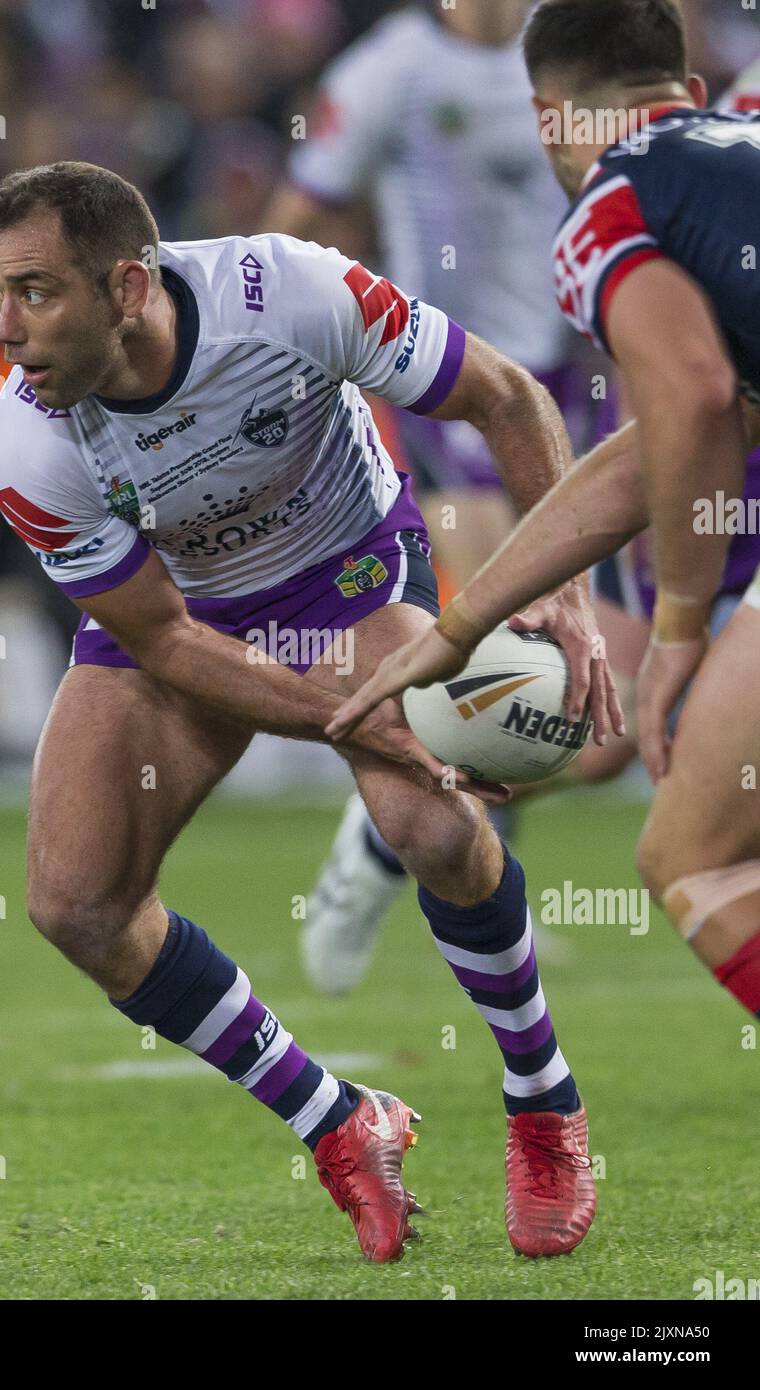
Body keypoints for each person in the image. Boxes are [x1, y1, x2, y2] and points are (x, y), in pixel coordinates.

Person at [0, 160, 607, 1263]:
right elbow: (163, 637)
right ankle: (337, 1120)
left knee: (432, 826)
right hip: (184, 616)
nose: (4, 328)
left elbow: (503, 396)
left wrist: (561, 590)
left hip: (348, 573)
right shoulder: (25, 444)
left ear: (127, 288)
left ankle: (541, 1097)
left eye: (34, 292)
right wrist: (347, 718)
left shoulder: (292, 292)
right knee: (74, 903)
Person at [328, 0, 760, 1031]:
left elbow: (688, 394)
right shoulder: (738, 152)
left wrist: (675, 629)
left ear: (545, 118)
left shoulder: (610, 204)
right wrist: (462, 627)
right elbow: (650, 447)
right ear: (687, 92)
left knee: (689, 856)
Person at [264, 0, 609, 989]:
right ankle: (401, 854)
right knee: (533, 657)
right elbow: (292, 221)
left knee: (584, 735)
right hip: (454, 390)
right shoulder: (389, 71)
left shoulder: (572, 49)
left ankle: (378, 847)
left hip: (573, 392)